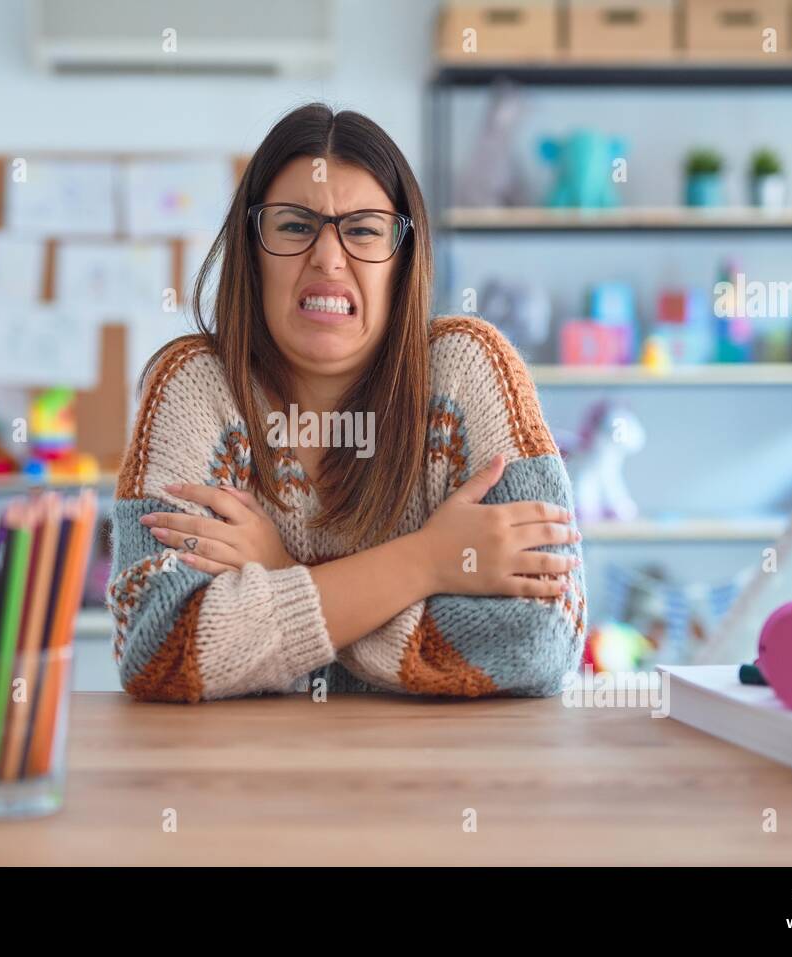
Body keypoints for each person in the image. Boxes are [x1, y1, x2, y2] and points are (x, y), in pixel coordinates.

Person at [106, 102, 586, 702]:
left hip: (443, 784)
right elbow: (159, 649)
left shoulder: (469, 368)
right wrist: (428, 562)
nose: (328, 258)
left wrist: (283, 576)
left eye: (362, 229)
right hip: (244, 783)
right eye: (294, 225)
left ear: (402, 258)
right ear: (252, 252)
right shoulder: (194, 383)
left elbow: (542, 638)